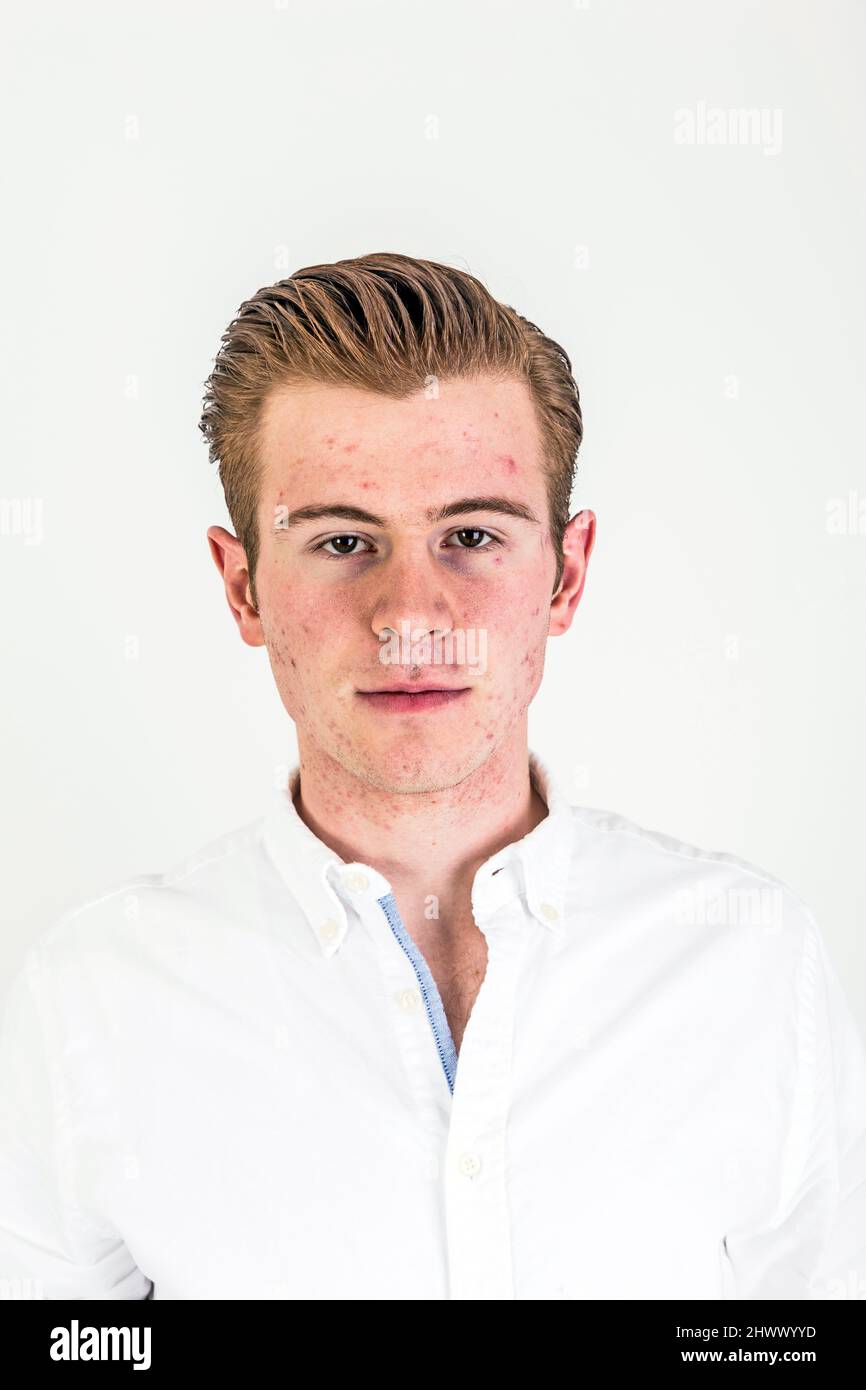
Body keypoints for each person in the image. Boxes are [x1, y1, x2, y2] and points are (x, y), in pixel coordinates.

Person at [1, 252, 864, 1301]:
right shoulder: (86, 1002)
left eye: (469, 534)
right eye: (341, 540)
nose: (411, 614)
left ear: (567, 572)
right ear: (243, 588)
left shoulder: (750, 962)